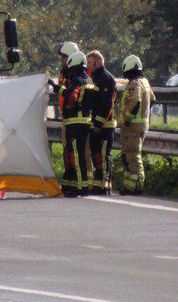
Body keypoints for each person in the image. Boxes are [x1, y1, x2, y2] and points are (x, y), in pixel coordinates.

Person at [60, 51, 96, 197]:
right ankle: (86, 184)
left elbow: (71, 99)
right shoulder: (89, 80)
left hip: (74, 122)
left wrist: (60, 90)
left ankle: (80, 186)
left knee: (76, 154)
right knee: (84, 153)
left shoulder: (77, 81)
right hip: (86, 121)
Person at [119, 54, 156, 195]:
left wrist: (127, 118)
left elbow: (135, 102)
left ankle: (136, 187)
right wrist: (145, 116)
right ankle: (130, 186)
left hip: (132, 127)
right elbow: (153, 99)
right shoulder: (145, 82)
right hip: (140, 126)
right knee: (130, 156)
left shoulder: (134, 84)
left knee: (132, 157)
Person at [86, 50, 117, 195]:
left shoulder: (106, 78)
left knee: (104, 156)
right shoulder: (95, 78)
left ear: (97, 63)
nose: (87, 66)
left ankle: (105, 186)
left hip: (105, 124)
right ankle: (98, 185)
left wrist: (98, 123)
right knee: (96, 155)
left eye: (89, 63)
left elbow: (107, 104)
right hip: (96, 123)